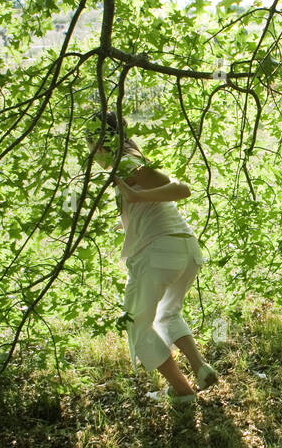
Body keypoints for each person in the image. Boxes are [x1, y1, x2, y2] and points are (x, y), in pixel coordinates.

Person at [87, 112, 219, 408]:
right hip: (185, 251)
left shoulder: (127, 162)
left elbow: (180, 189)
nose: (89, 150)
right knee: (167, 314)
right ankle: (200, 367)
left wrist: (136, 199)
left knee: (137, 325)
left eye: (90, 141)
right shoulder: (127, 163)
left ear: (101, 142)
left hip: (160, 254)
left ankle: (182, 392)